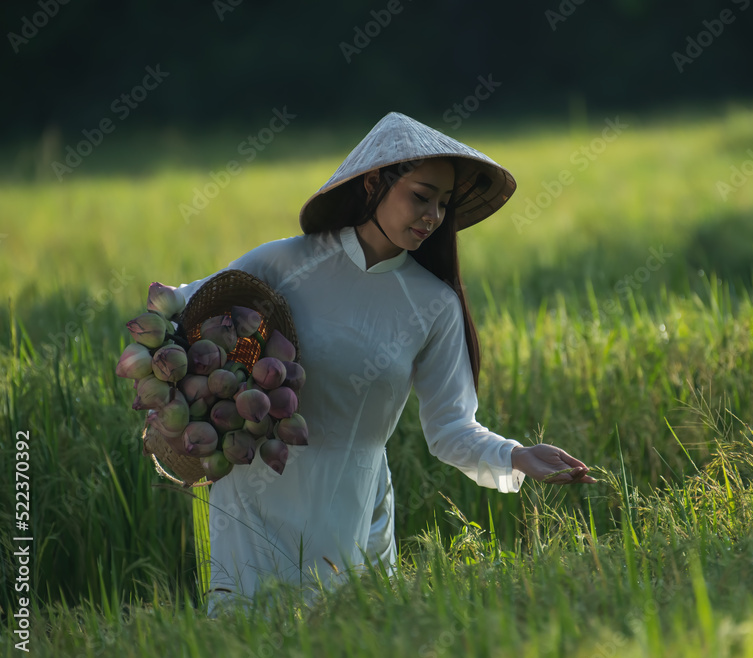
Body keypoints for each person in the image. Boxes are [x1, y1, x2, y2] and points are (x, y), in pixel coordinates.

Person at [176, 112, 595, 616]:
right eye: (421, 196)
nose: (433, 216)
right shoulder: (284, 263)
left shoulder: (433, 304)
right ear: (375, 183)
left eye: (443, 203)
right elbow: (186, 310)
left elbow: (451, 428)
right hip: (254, 496)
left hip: (353, 502)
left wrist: (516, 456)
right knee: (245, 638)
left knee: (353, 637)